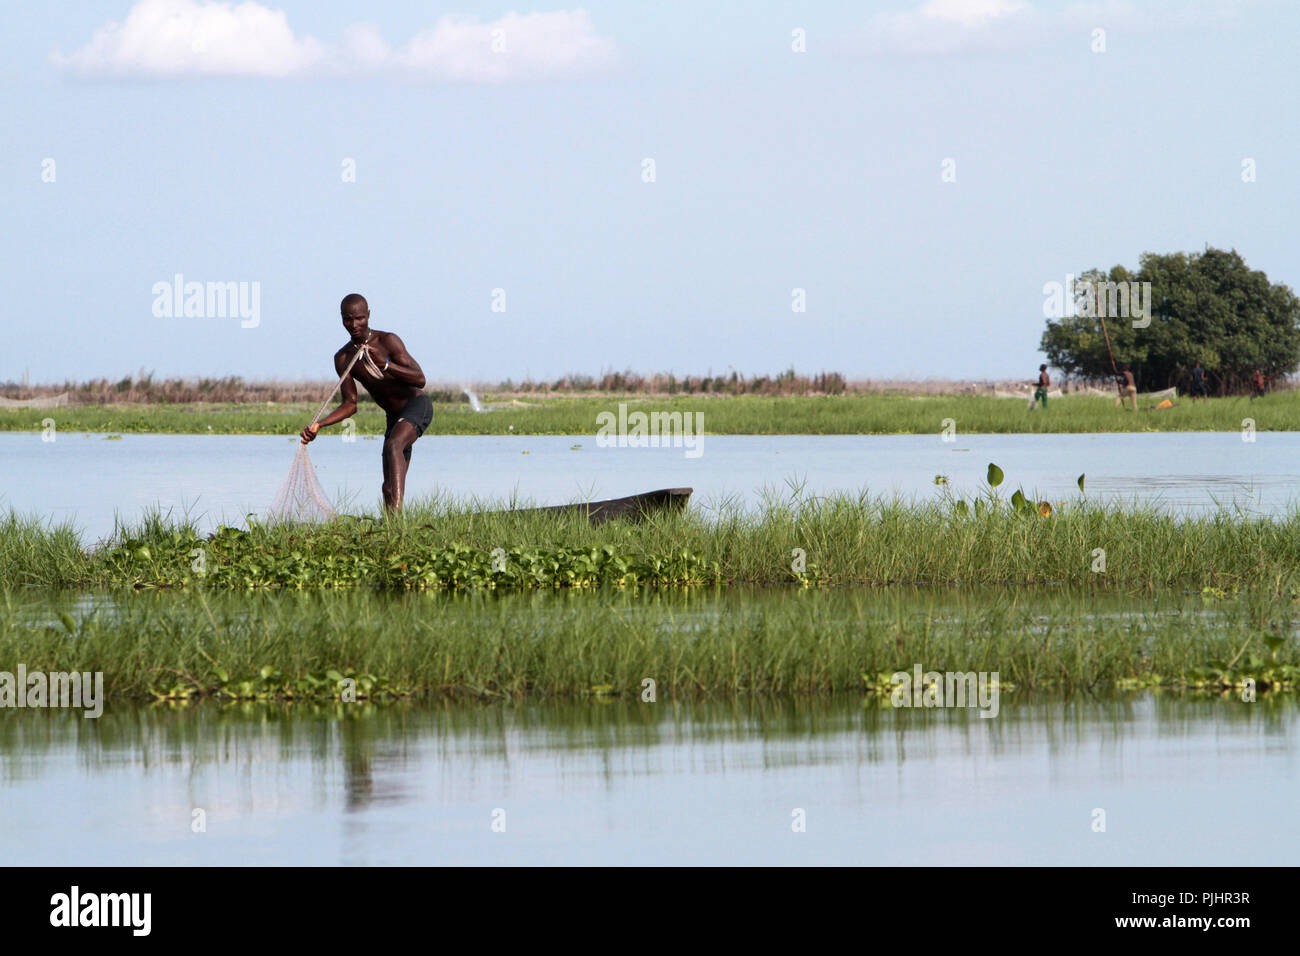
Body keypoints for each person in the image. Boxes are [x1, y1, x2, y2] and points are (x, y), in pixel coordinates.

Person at [300, 293, 430, 513]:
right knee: (388, 488)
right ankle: (392, 530)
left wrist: (387, 365)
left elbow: (420, 379)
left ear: (368, 315)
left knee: (394, 445)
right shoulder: (343, 358)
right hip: (394, 417)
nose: (354, 325)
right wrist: (319, 425)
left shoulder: (388, 341)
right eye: (347, 319)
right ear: (341, 319)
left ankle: (397, 520)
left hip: (416, 406)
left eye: (359, 318)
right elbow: (351, 404)